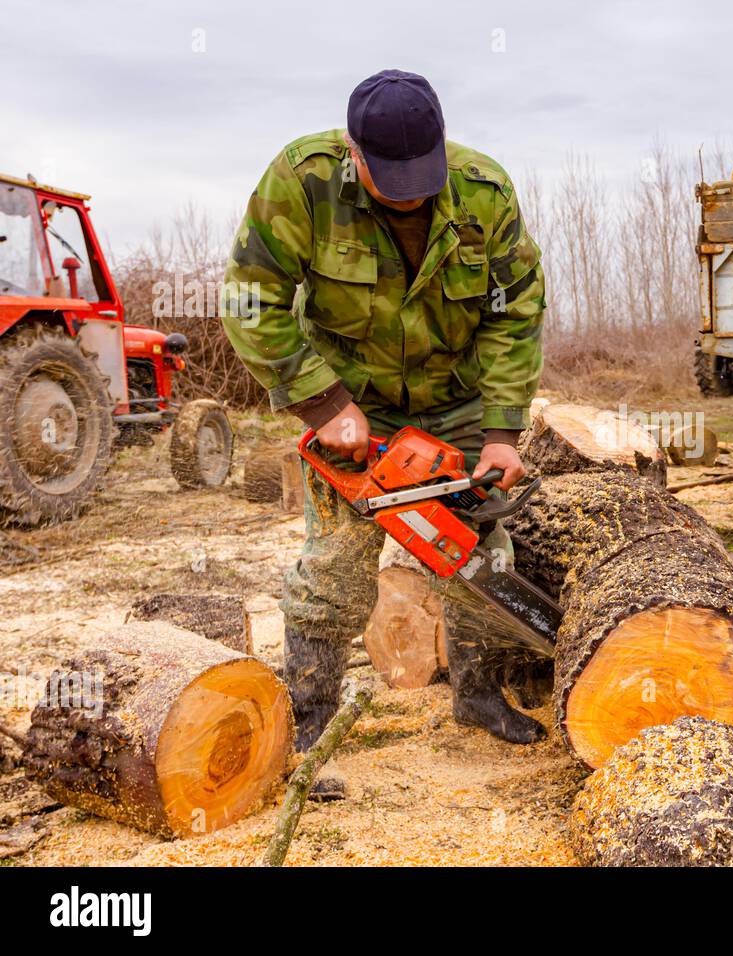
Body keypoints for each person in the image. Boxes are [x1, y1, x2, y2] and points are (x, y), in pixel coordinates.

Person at [221, 70, 547, 776]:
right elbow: (250, 301)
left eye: (420, 176)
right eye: (388, 177)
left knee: (483, 550)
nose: (407, 191)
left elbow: (514, 311)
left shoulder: (483, 193)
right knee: (335, 563)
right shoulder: (301, 184)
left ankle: (480, 695)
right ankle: (310, 717)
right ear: (353, 151)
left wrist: (501, 429)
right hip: (353, 404)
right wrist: (322, 402)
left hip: (457, 397)